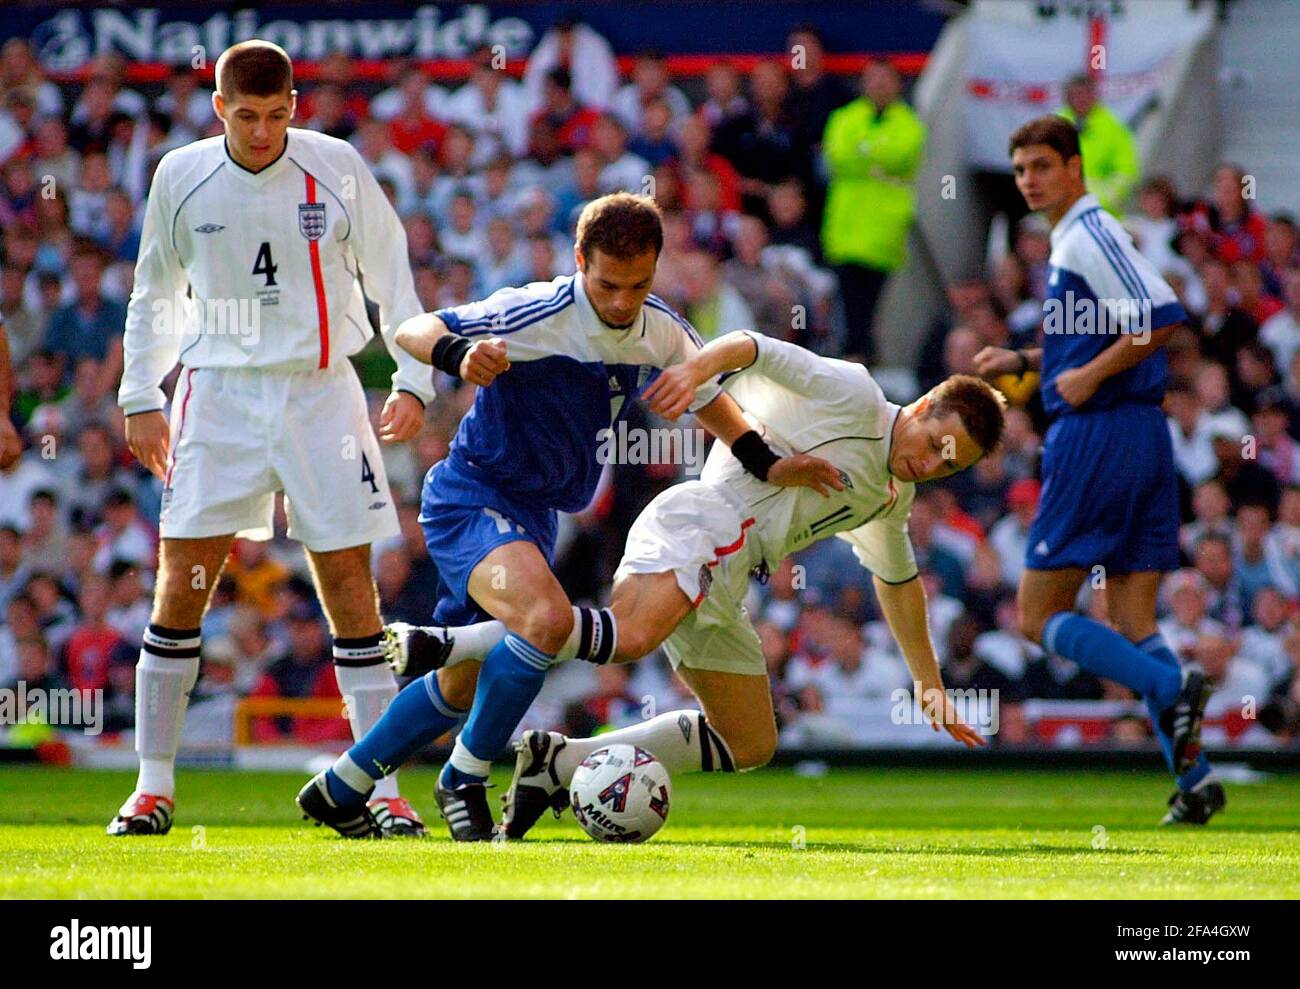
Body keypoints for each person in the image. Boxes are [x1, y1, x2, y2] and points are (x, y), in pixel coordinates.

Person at [295, 192, 842, 840]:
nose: (619, 301)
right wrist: (459, 357)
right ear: (580, 261)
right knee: (548, 619)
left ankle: (342, 785)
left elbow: (710, 399)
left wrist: (769, 463)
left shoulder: (659, 327)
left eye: (637, 286)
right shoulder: (535, 312)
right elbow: (414, 329)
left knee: (463, 684)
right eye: (607, 284)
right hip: (472, 496)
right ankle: (462, 776)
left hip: (536, 515)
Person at [379, 330, 1006, 839]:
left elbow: (898, 581)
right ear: (923, 408)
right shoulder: (854, 393)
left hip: (734, 573)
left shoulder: (893, 495)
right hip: (704, 520)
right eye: (934, 444)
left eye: (949, 466)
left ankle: (556, 761)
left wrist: (928, 685)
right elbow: (752, 346)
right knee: (629, 639)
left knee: (751, 741)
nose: (930, 464)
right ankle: (451, 645)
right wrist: (692, 369)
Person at [108, 41, 436, 837]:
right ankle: (152, 788)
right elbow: (156, 289)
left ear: (297, 105)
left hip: (321, 392)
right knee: (181, 581)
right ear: (219, 107)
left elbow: (392, 273)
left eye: (278, 115)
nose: (263, 132)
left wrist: (414, 376)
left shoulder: (337, 166)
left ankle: (380, 788)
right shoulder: (179, 175)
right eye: (247, 116)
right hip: (217, 392)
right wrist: (138, 391)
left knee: (352, 590)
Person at [973, 115, 1221, 825]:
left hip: (1096, 439)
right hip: (1142, 436)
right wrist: (1027, 361)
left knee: (1036, 613)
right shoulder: (1072, 241)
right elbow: (1105, 330)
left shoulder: (1088, 233)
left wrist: (1082, 380)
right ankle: (1195, 778)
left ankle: (1170, 685)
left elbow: (1162, 313)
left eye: (1043, 165)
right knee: (1131, 616)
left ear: (1076, 168)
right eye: (1021, 168)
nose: (1030, 179)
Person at [820, 61, 925, 363]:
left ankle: (864, 365)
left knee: (872, 311)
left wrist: (863, 152)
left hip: (884, 235)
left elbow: (901, 154)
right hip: (845, 232)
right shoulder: (844, 117)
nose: (878, 84)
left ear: (898, 84)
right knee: (849, 310)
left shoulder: (909, 123)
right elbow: (839, 156)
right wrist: (877, 161)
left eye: (885, 78)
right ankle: (854, 363)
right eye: (872, 78)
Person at [1055, 75, 1139, 216]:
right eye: (1076, 95)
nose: (1081, 99)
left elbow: (1126, 172)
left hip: (1100, 213)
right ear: (1067, 98)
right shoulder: (1053, 127)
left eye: (1086, 94)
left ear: (1095, 97)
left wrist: (1100, 198)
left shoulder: (1114, 128)